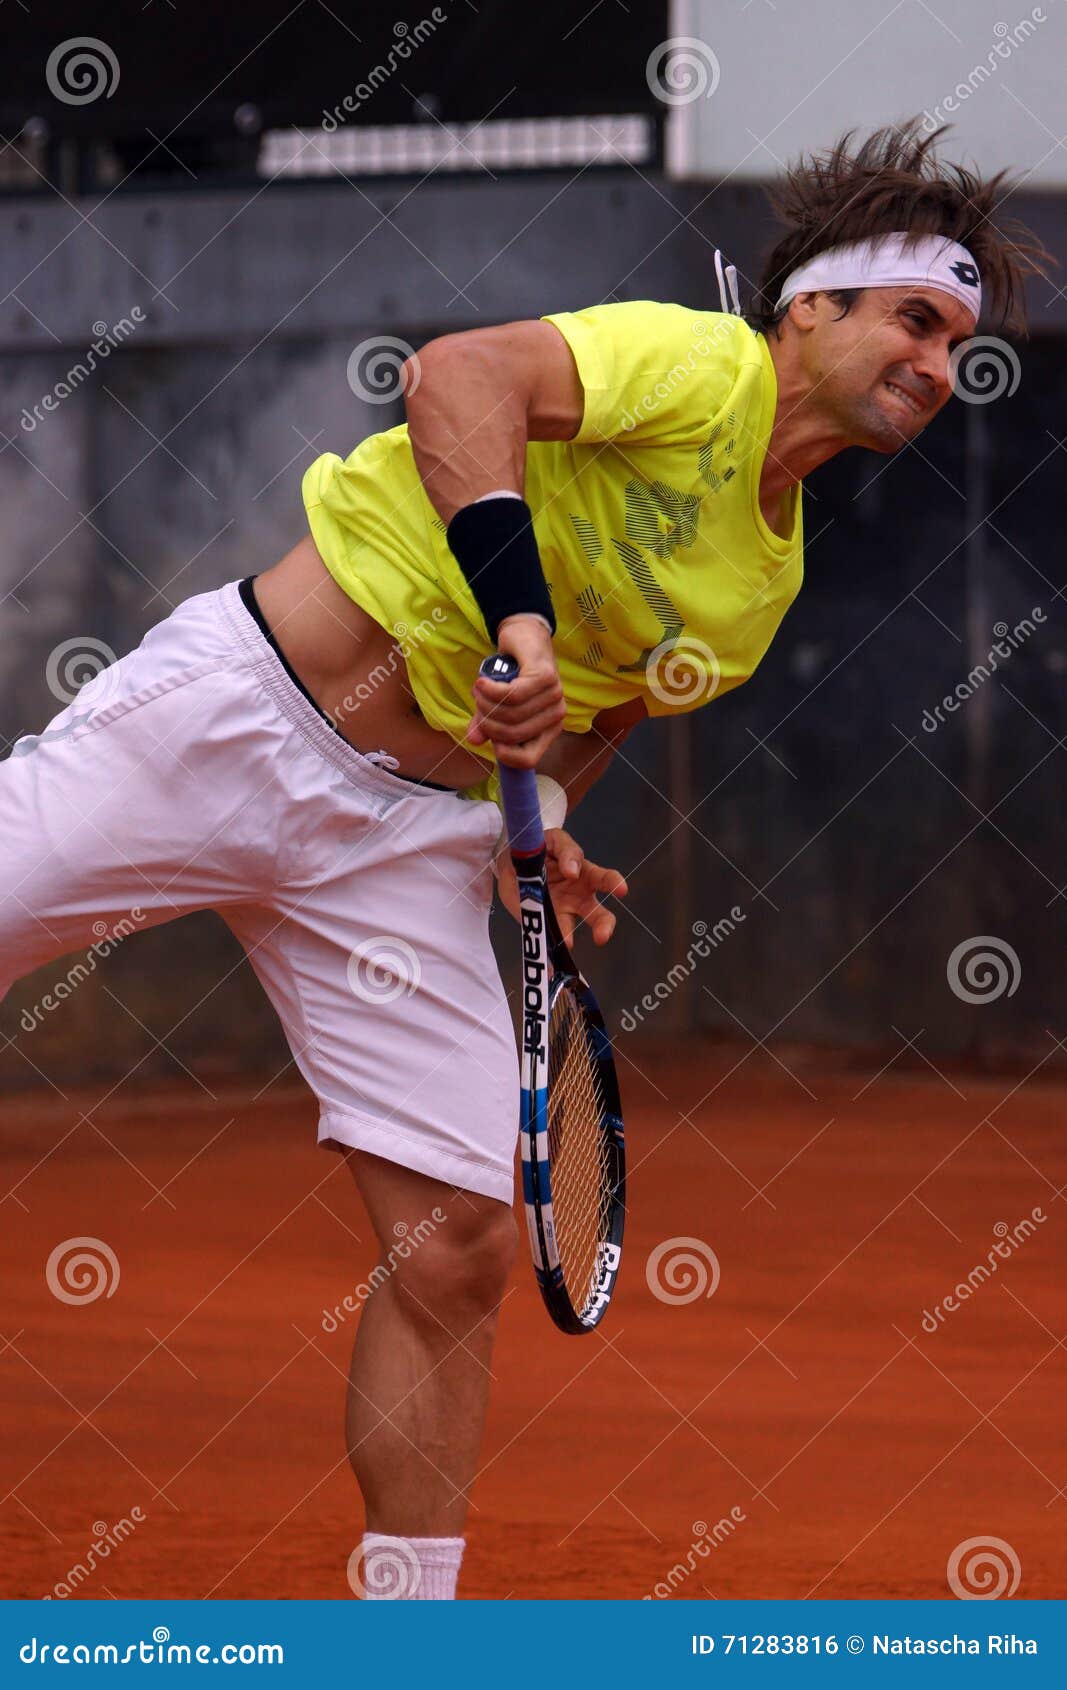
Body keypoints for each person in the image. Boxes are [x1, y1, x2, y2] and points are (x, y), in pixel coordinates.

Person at [0, 121, 1049, 1599]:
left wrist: (540, 824)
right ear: (809, 306)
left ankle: (410, 1627)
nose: (940, 365)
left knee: (457, 1251)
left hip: (405, 848)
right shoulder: (695, 368)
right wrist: (521, 620)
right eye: (916, 319)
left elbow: (595, 721)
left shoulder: (764, 580)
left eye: (958, 344)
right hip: (234, 725)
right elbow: (456, 378)